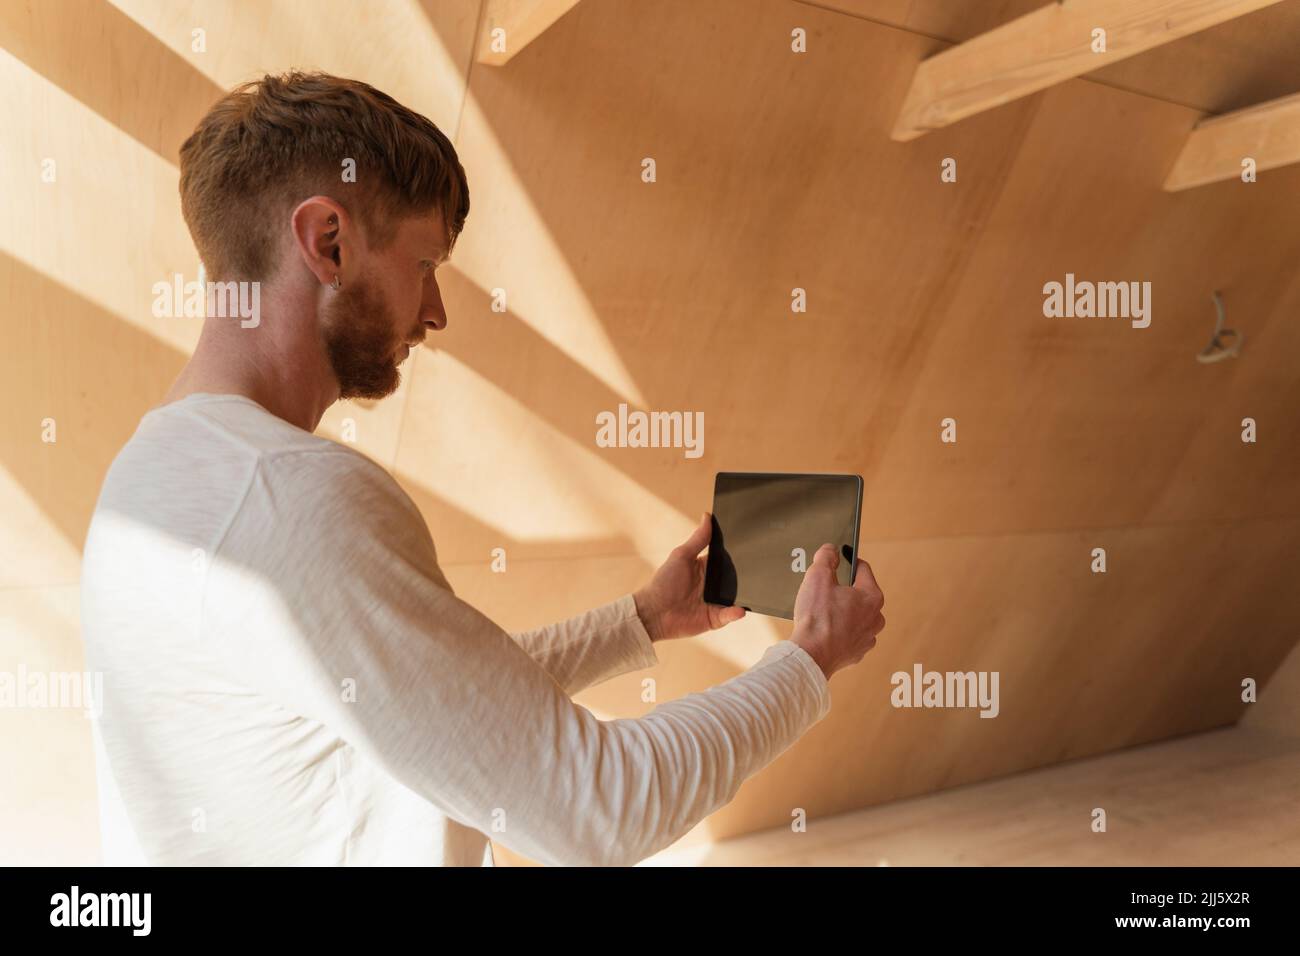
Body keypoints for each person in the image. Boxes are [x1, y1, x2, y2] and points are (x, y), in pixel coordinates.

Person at [81, 71, 885, 866]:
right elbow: (595, 807)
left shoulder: (149, 478)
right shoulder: (294, 496)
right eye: (425, 265)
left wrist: (635, 623)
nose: (434, 314)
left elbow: (432, 706)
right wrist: (809, 660)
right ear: (327, 241)